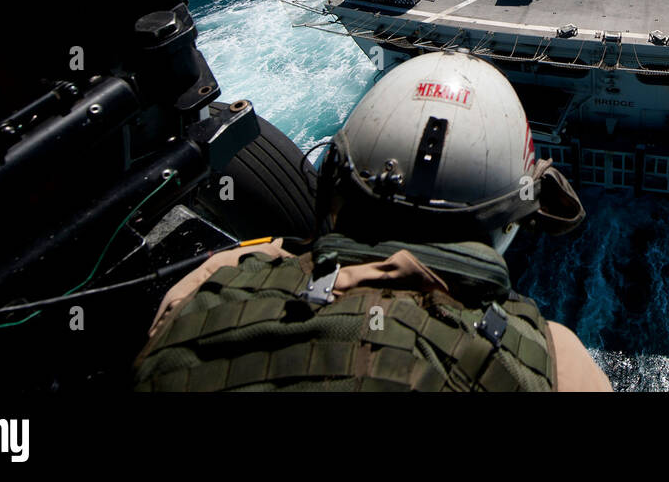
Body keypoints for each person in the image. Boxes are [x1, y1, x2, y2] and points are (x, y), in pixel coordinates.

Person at [133, 52, 610, 392]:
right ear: (513, 218)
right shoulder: (557, 363)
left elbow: (269, 254)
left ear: (332, 180)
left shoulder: (207, 291)